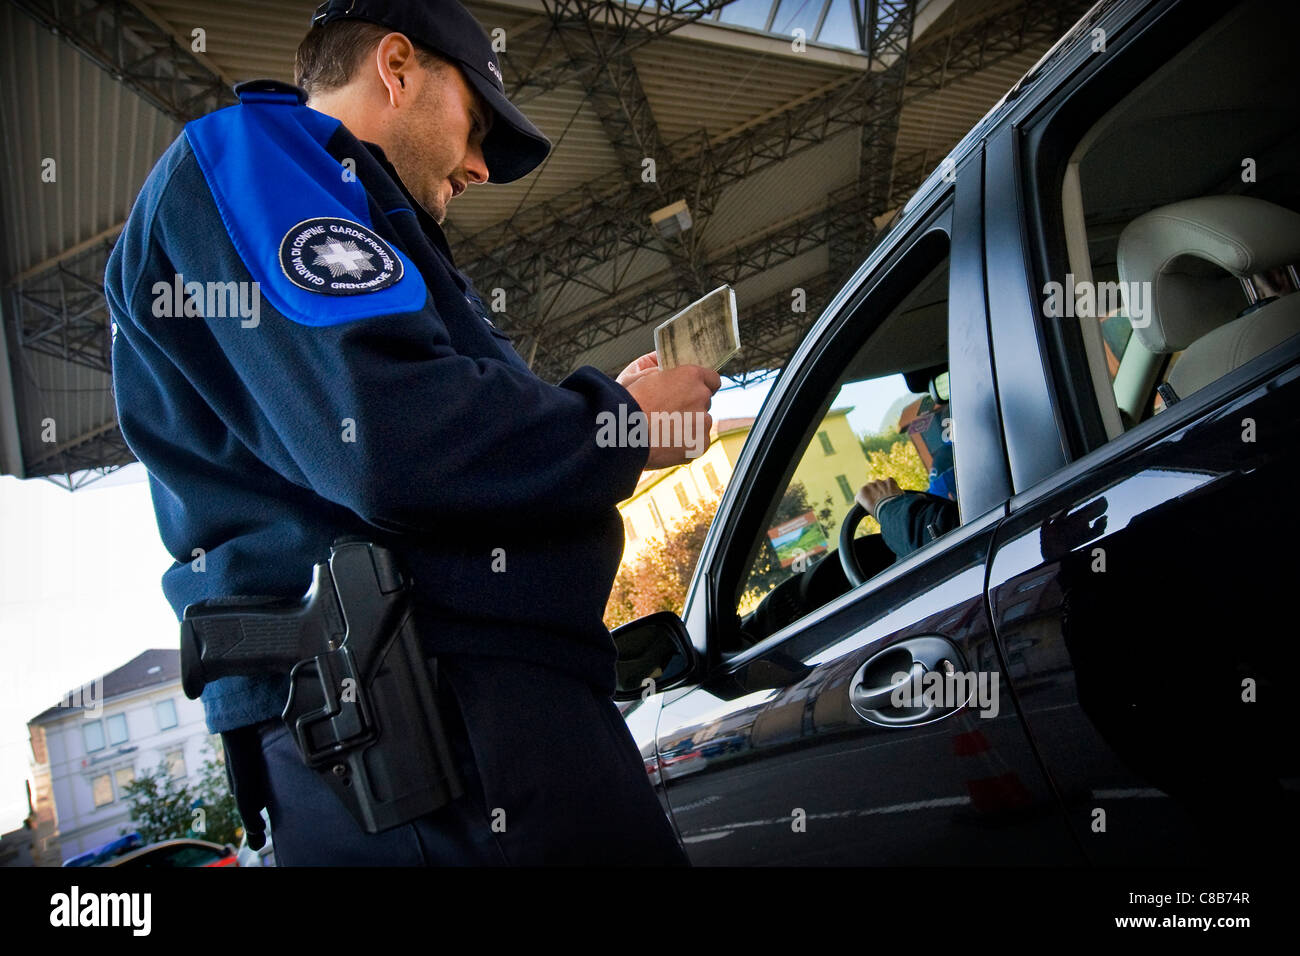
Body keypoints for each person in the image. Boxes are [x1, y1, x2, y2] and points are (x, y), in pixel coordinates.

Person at [105, 0, 720, 864]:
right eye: (479, 122)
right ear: (397, 67)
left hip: (454, 719)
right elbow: (388, 441)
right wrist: (616, 429)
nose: (479, 165)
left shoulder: (360, 214)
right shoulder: (261, 156)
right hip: (420, 727)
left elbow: (425, 420)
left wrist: (594, 421)